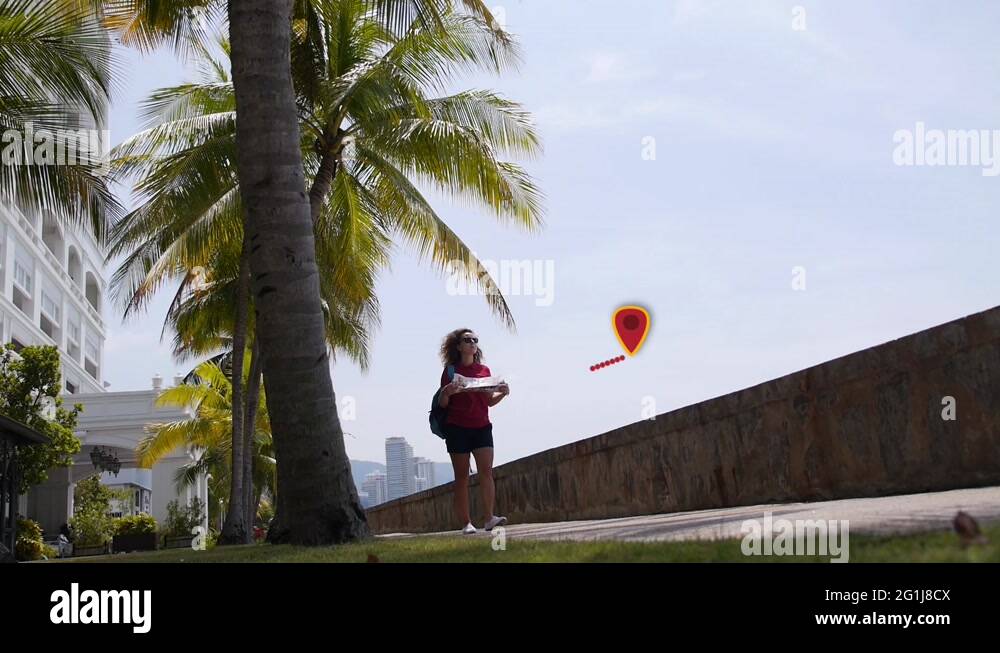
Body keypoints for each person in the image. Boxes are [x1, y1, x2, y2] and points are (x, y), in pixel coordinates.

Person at [437, 328, 510, 534]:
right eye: (467, 340)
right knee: (462, 477)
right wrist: (447, 391)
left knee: (486, 472)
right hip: (457, 428)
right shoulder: (450, 371)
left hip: (482, 426)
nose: (471, 343)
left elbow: (489, 401)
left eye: (474, 340)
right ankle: (466, 523)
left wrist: (502, 393)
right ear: (459, 346)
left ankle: (489, 518)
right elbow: (443, 404)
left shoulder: (484, 371)